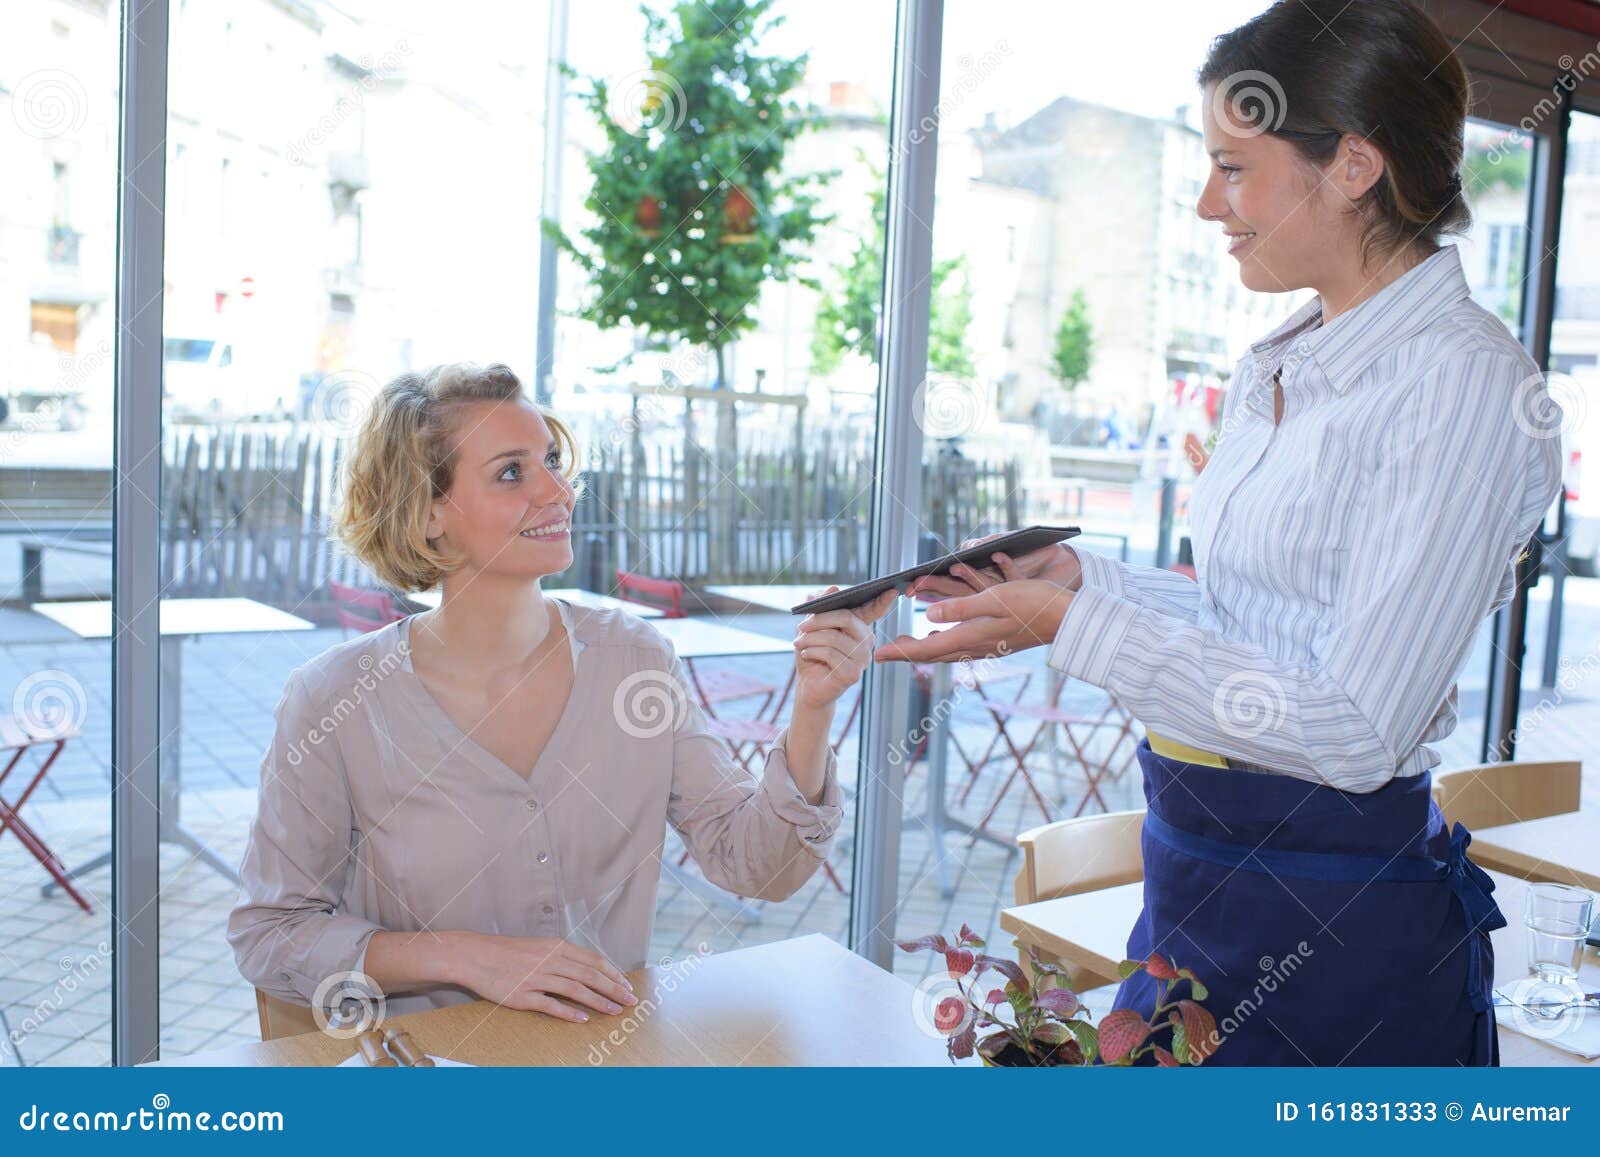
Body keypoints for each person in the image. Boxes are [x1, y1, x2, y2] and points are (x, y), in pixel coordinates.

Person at [877, 0, 1563, 1066]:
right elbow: (1259, 626)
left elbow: (1351, 727)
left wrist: (1076, 626)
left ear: (1352, 165)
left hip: (1333, 935)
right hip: (1199, 888)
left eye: (1233, 167)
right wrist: (1080, 582)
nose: (1206, 203)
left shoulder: (1461, 387)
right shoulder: (1279, 362)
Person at [229, 362, 892, 1023]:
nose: (560, 489)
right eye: (512, 472)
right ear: (428, 512)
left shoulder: (634, 661)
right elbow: (270, 933)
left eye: (551, 459)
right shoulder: (334, 700)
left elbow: (761, 870)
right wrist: (464, 956)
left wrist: (812, 707)